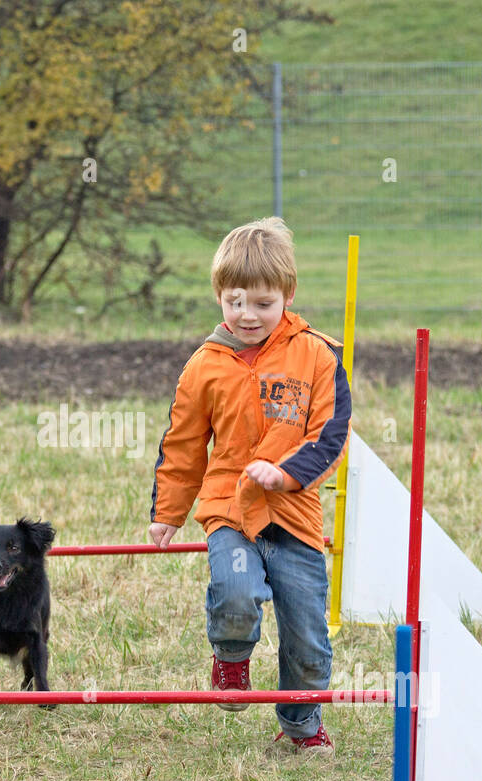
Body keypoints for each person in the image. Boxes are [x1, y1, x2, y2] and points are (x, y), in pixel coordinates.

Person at [148, 217, 351, 752]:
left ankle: (302, 725)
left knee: (307, 637)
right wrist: (168, 513)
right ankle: (231, 661)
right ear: (220, 295)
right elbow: (184, 445)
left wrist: (284, 474)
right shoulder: (203, 367)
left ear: (287, 294)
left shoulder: (318, 356)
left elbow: (330, 436)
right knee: (236, 594)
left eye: (262, 302)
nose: (247, 314)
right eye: (235, 301)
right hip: (230, 511)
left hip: (294, 517)